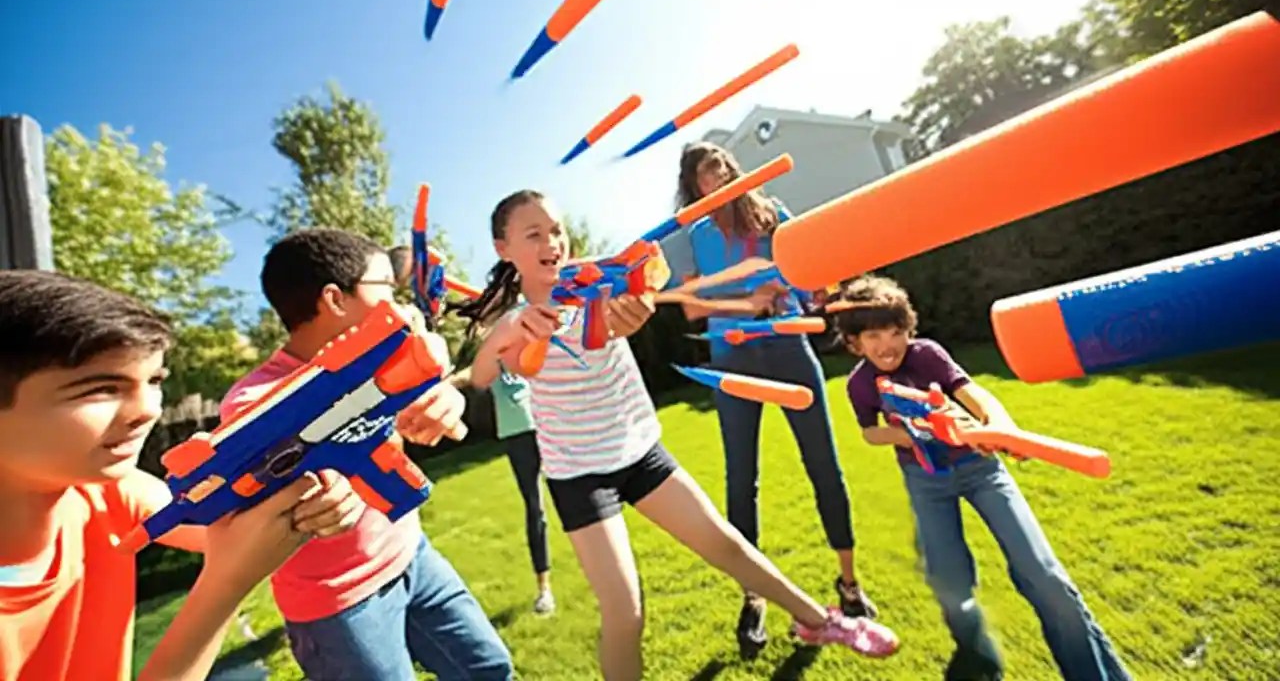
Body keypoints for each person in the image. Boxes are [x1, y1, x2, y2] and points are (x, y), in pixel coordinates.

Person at [453, 189, 901, 681]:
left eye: (556, 230)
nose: (552, 242)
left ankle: (821, 621)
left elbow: (647, 279)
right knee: (626, 612)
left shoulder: (597, 279)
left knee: (727, 546)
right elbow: (483, 376)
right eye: (533, 234)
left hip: (638, 449)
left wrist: (638, 301)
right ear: (504, 249)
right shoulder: (516, 320)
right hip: (579, 472)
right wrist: (511, 332)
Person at [0, 270, 361, 681]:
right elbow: (231, 550)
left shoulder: (109, 494)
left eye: (153, 381)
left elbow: (226, 526)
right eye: (100, 389)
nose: (148, 410)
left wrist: (311, 495)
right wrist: (225, 586)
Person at [222, 228, 514, 681]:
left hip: (411, 554)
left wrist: (446, 401)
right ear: (336, 300)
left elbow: (443, 412)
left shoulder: (382, 360)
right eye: (386, 290)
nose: (400, 308)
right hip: (337, 603)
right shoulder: (253, 406)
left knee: (490, 670)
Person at [834, 274, 1132, 681]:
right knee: (952, 586)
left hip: (981, 471)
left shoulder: (927, 355)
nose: (887, 345)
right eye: (873, 336)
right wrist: (916, 433)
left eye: (895, 331)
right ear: (854, 342)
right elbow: (870, 432)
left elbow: (973, 393)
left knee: (1045, 578)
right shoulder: (860, 384)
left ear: (909, 330)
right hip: (927, 482)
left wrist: (1002, 426)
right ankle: (979, 658)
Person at [671, 141, 879, 656]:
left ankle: (850, 588)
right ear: (693, 184)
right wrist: (745, 300)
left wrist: (810, 291)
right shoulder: (693, 234)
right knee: (742, 479)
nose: (717, 175)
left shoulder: (771, 212)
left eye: (721, 163)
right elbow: (691, 310)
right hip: (734, 360)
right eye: (705, 170)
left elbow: (808, 273)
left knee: (825, 466)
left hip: (788, 349)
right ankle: (754, 598)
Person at [389, 245, 556, 615]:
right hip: (517, 431)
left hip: (550, 420)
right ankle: (544, 587)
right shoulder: (488, 335)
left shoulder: (529, 317)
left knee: (577, 492)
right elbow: (471, 361)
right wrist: (445, 384)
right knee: (536, 508)